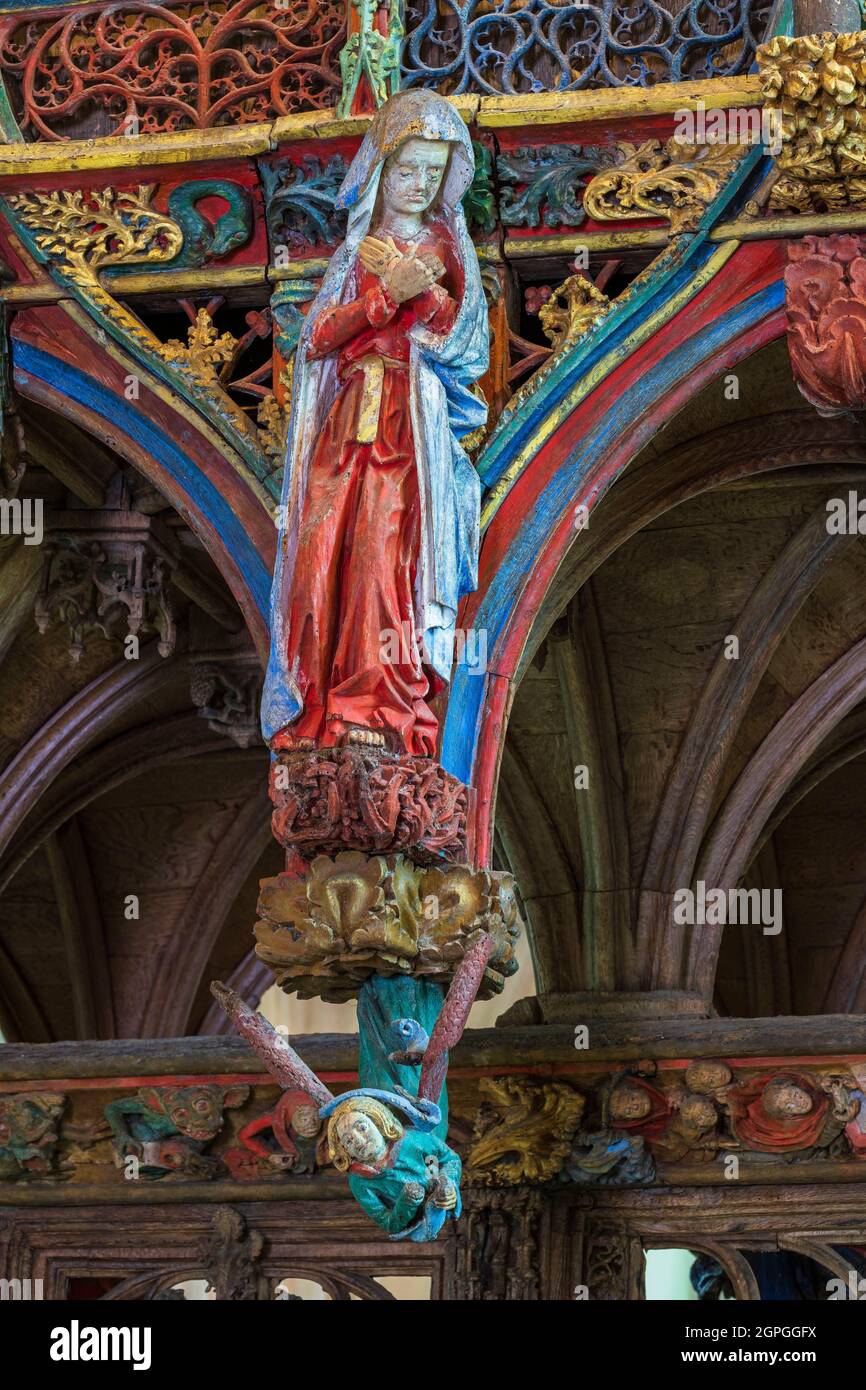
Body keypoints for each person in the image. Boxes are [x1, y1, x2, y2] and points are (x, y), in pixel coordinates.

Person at [262, 89, 488, 756]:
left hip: (407, 425)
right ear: (382, 171)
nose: (418, 185)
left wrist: (431, 297)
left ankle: (377, 699)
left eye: (431, 171)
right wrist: (385, 296)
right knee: (320, 548)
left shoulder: (449, 245)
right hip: (346, 427)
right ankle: (317, 701)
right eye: (406, 169)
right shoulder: (358, 251)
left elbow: (466, 342)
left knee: (384, 557)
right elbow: (318, 338)